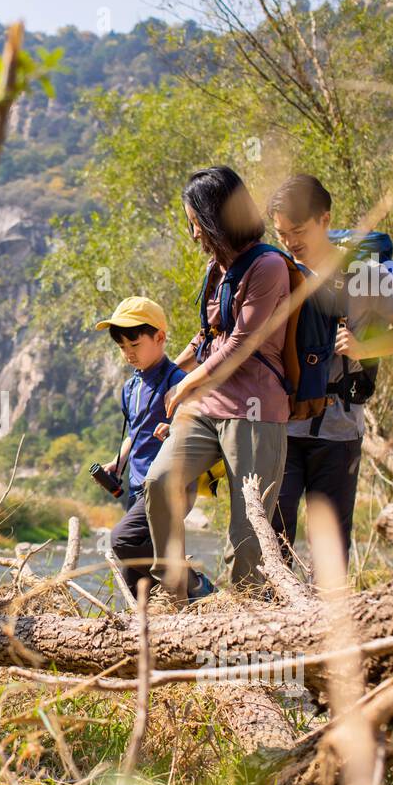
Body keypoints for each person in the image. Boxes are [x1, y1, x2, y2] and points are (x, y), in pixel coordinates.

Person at [144, 165, 292, 601]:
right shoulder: (217, 268)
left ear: (214, 219)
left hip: (255, 412)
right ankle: (176, 589)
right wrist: (176, 367)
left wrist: (186, 384)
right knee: (160, 480)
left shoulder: (267, 267)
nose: (193, 234)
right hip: (209, 408)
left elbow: (242, 345)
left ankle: (245, 623)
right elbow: (212, 333)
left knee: (248, 532)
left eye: (195, 223)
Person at [266, 174, 393, 562]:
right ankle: (274, 619)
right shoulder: (278, 273)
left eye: (298, 230)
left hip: (339, 430)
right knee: (273, 544)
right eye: (281, 234)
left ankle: (333, 619)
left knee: (332, 550)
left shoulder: (365, 276)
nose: (290, 242)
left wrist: (364, 347)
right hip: (281, 427)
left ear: (325, 220)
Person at [94, 296, 216, 600]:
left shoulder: (180, 381)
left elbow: (201, 427)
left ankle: (193, 581)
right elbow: (135, 432)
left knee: (122, 540)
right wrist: (116, 463)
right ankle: (161, 631)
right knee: (135, 583)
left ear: (159, 337)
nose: (128, 355)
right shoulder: (130, 388)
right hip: (136, 486)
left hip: (169, 485)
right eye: (122, 348)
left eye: (134, 346)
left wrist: (176, 428)